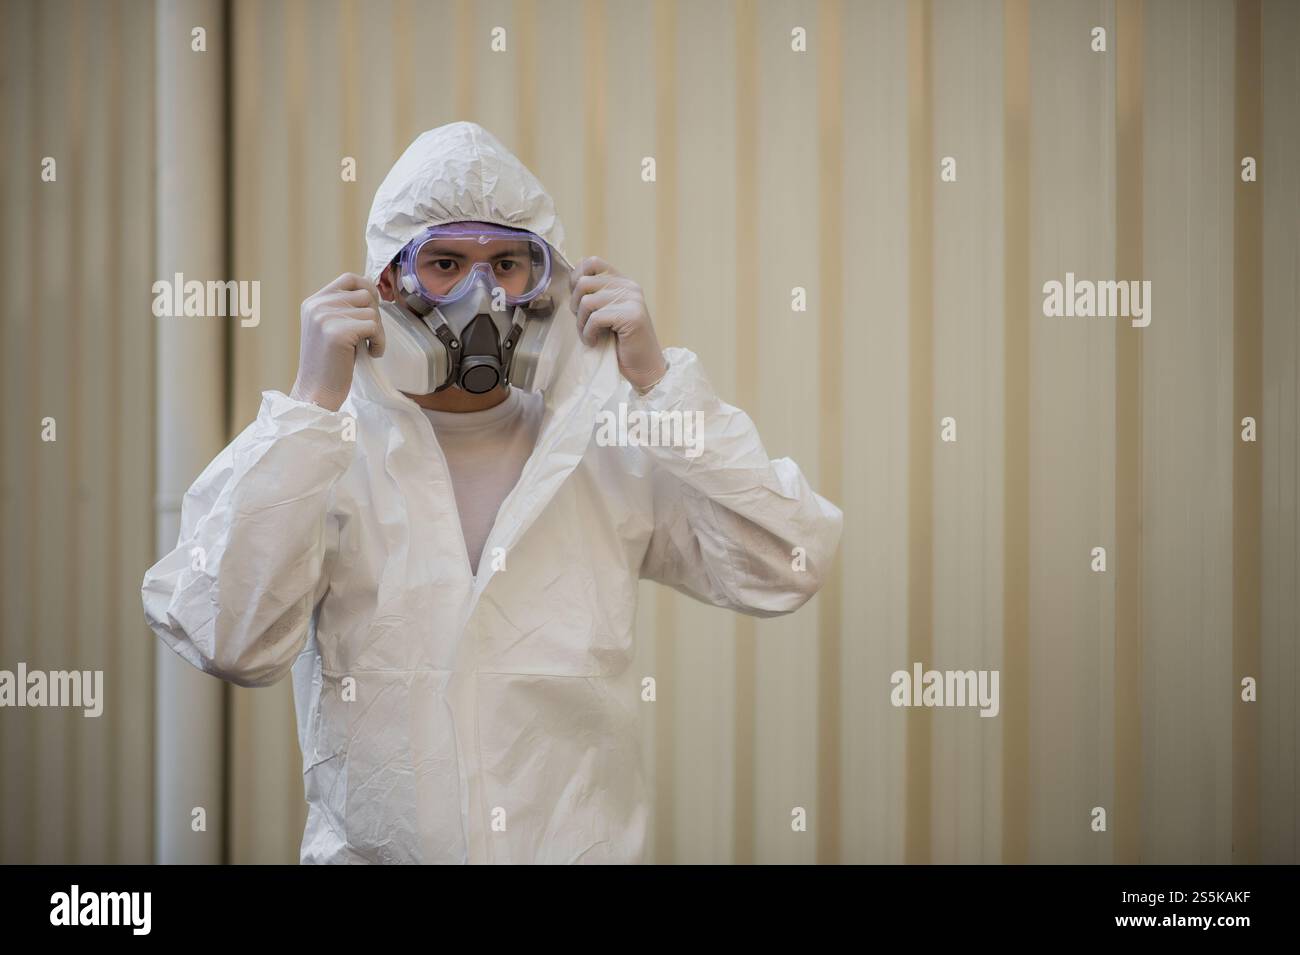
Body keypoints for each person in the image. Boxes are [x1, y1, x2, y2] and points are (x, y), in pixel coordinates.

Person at [141, 120, 844, 864]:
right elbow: (228, 637)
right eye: (444, 263)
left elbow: (785, 564)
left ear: (550, 285)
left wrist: (659, 384)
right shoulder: (327, 450)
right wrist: (311, 401)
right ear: (389, 282)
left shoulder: (600, 445)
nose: (482, 293)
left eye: (509, 263)